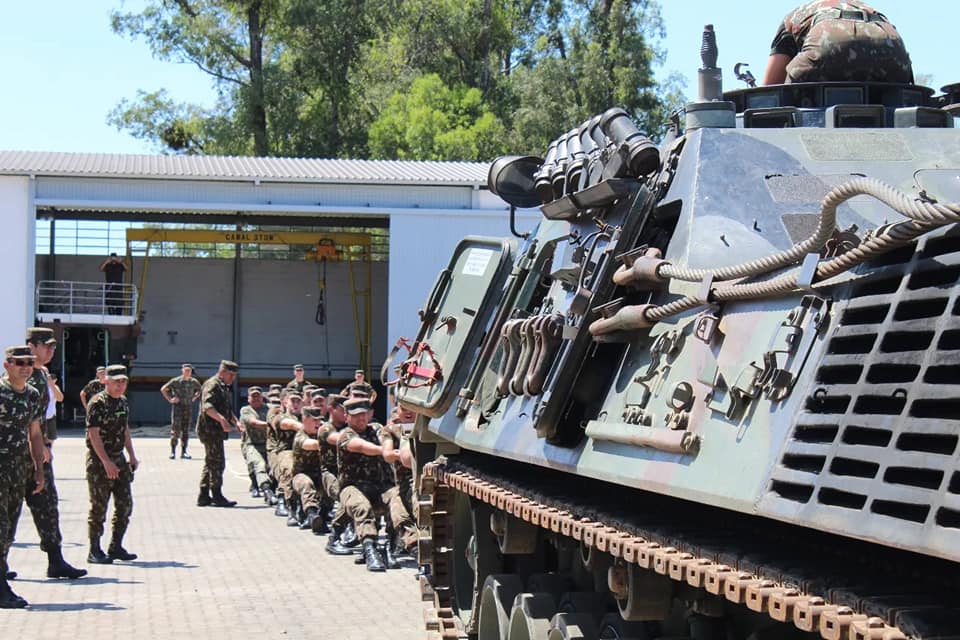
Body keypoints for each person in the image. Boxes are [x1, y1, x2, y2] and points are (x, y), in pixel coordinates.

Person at [22, 327, 87, 580]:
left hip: (42, 450)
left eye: (53, 347)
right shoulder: (24, 376)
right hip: (25, 453)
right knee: (10, 511)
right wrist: (39, 447)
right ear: (31, 346)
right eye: (45, 345)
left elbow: (49, 412)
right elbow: (28, 418)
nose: (50, 350)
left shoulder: (42, 373)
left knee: (48, 506)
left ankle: (55, 559)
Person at [336, 397, 418, 572]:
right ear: (347, 416)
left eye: (364, 414)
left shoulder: (377, 429)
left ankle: (408, 547)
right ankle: (370, 549)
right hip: (353, 487)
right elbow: (360, 446)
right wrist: (386, 451)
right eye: (356, 415)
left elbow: (390, 433)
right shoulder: (346, 435)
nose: (361, 418)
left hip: (381, 487)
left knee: (397, 503)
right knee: (362, 507)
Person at [762, 1, 913, 85]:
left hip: (830, 40)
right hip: (889, 44)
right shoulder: (868, 8)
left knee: (782, 101)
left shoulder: (796, 15)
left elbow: (770, 85)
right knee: (894, 97)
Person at [0, 346, 48, 608]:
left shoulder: (32, 395)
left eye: (29, 362)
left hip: (18, 471)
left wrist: (39, 470)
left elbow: (36, 434)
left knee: (9, 528)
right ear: (7, 364)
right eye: (20, 362)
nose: (26, 367)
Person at [85, 364, 139, 564]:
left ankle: (116, 546)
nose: (120, 385)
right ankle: (94, 549)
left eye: (123, 381)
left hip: (119, 459)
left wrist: (132, 455)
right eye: (116, 381)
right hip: (100, 461)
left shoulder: (123, 402)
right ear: (106, 381)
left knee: (125, 505)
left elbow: (125, 429)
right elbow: (93, 434)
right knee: (99, 507)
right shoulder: (97, 403)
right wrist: (106, 462)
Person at [196, 360, 240, 508]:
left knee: (211, 461)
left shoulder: (222, 386)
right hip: (210, 430)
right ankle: (216, 494)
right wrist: (222, 420)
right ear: (222, 372)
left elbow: (225, 408)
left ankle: (203, 495)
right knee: (218, 462)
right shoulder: (212, 384)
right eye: (231, 375)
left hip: (215, 430)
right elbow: (207, 406)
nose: (232, 378)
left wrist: (236, 421)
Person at [289, 406, 328, 533]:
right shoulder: (300, 436)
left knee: (331, 481)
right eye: (314, 420)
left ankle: (323, 515)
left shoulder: (321, 433)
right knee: (306, 483)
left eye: (319, 420)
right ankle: (311, 515)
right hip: (300, 475)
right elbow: (310, 444)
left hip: (319, 475)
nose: (318, 423)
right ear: (305, 419)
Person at [238, 386, 274, 502]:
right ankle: (264, 489)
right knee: (258, 465)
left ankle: (270, 487)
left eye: (258, 396)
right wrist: (270, 424)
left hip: (268, 443)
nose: (256, 399)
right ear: (248, 399)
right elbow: (253, 422)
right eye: (253, 397)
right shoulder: (246, 410)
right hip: (251, 443)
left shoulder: (269, 408)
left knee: (271, 467)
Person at [160, 363, 202, 460]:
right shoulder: (176, 381)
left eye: (189, 371)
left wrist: (195, 397)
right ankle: (173, 451)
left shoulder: (194, 381)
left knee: (186, 430)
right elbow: (163, 389)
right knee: (175, 430)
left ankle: (184, 451)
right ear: (182, 371)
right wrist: (170, 399)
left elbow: (200, 390)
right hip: (177, 408)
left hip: (188, 408)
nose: (188, 372)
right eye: (186, 370)